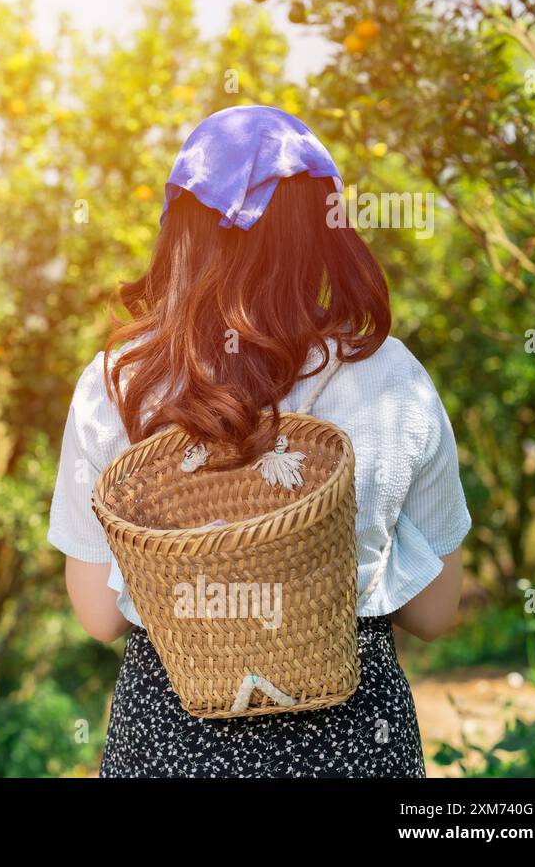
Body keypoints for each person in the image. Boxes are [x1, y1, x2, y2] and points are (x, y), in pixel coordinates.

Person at [48, 105, 470, 777]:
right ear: (324, 229)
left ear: (178, 230)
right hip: (353, 740)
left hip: (170, 740)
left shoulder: (116, 383)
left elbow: (99, 616)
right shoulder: (391, 377)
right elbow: (435, 611)